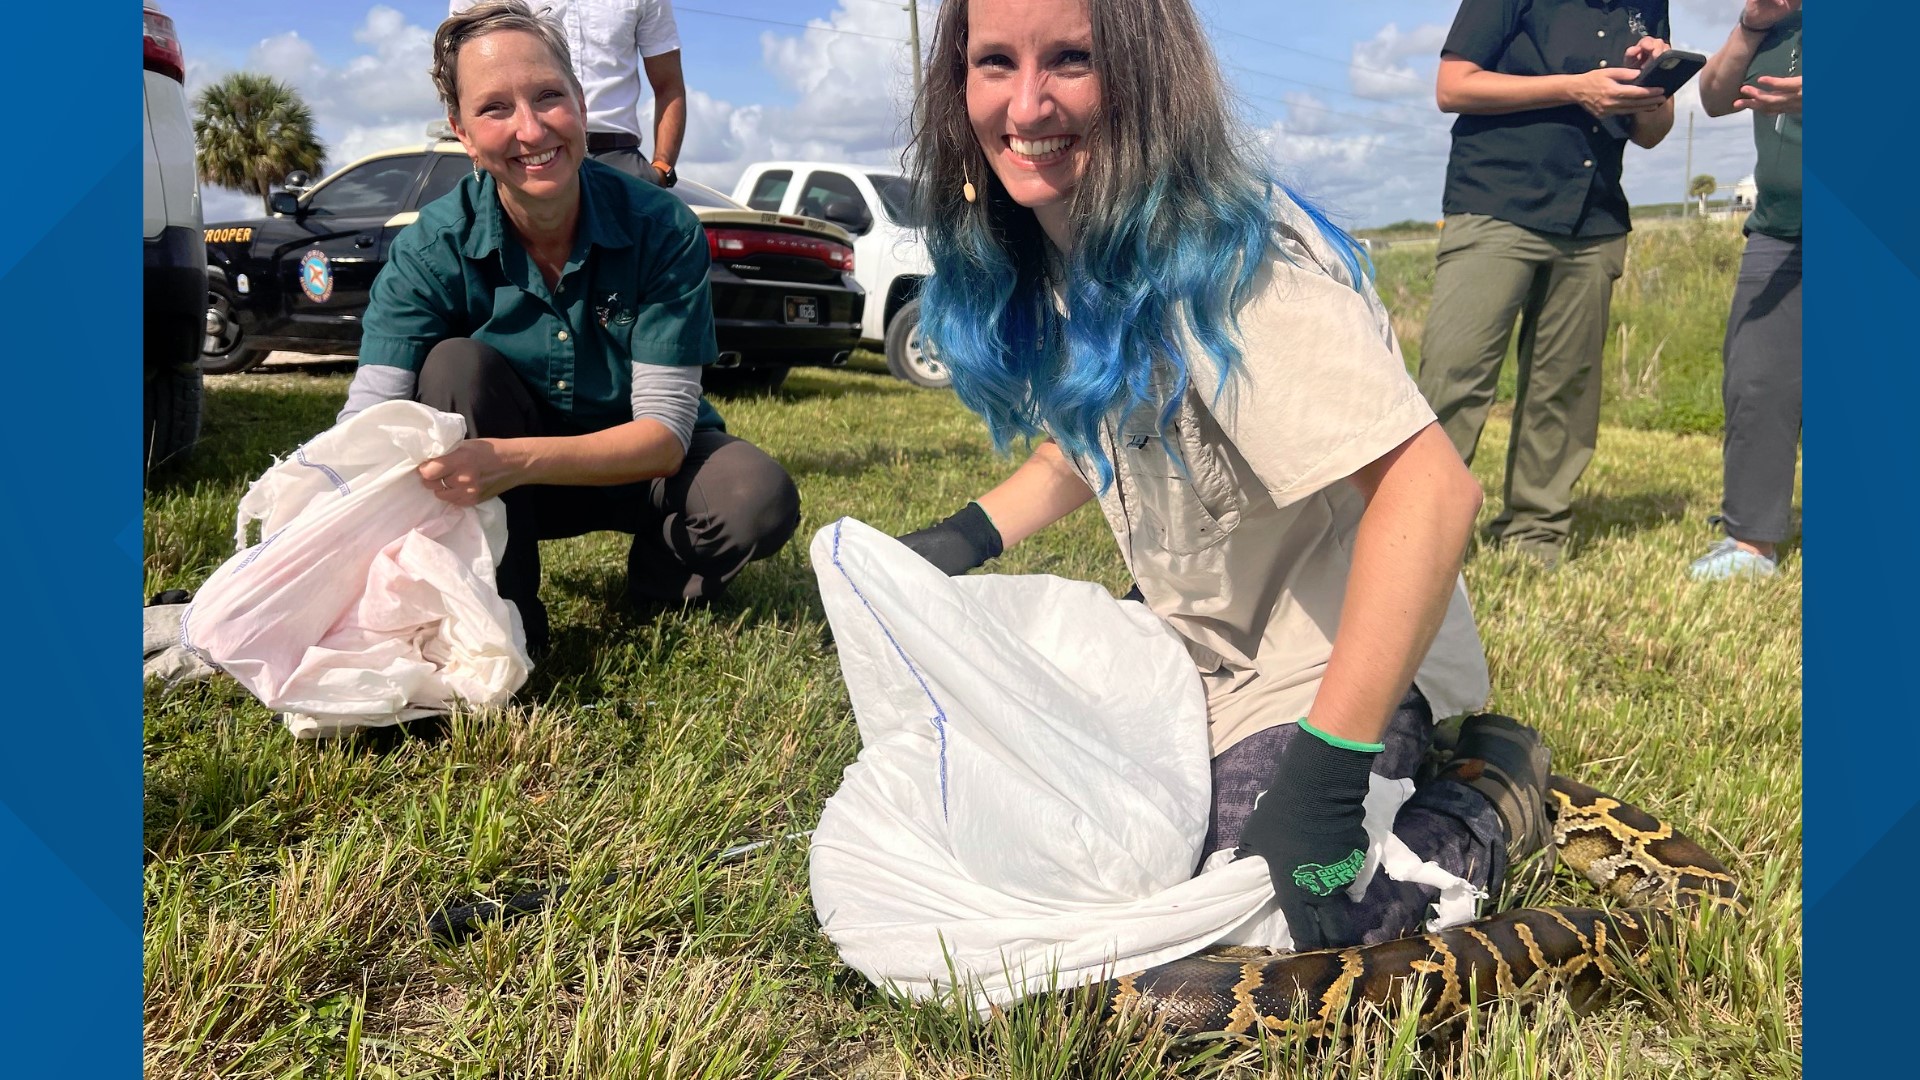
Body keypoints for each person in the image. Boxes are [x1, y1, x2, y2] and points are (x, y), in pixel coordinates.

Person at [892, 0, 1552, 952]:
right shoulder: (1060, 242)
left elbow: (1433, 490)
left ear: (1144, 71)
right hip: (1187, 650)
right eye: (995, 61)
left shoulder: (1232, 266)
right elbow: (1088, 441)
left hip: (1317, 668)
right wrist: (952, 542)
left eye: (1070, 59)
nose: (1026, 104)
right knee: (1020, 830)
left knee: (1255, 931)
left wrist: (1325, 780)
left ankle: (1488, 799)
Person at [338, 0, 799, 656]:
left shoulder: (663, 228)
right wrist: (299, 537)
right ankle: (507, 609)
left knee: (756, 495)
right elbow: (367, 421)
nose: (531, 129)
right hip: (501, 487)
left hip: (629, 469)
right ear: (461, 131)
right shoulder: (432, 244)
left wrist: (510, 461)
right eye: (495, 108)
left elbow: (666, 439)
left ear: (581, 104)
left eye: (549, 96)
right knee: (453, 367)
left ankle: (662, 581)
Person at [1415, 1, 1678, 568]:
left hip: (1595, 216)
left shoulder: (1650, 5)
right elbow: (1453, 87)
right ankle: (1420, 533)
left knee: (1565, 388)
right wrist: (1575, 88)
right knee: (1453, 379)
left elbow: (1652, 134)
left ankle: (1536, 532)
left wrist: (1659, 84)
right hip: (1495, 203)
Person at [1690, 0, 1801, 580]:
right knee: (1755, 381)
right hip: (1781, 229)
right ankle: (1752, 544)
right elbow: (1711, 98)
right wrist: (1751, 24)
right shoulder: (1771, 26)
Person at [451, 0, 686, 187]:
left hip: (619, 159)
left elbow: (669, 86)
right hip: (519, 156)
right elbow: (458, 78)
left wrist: (662, 169)